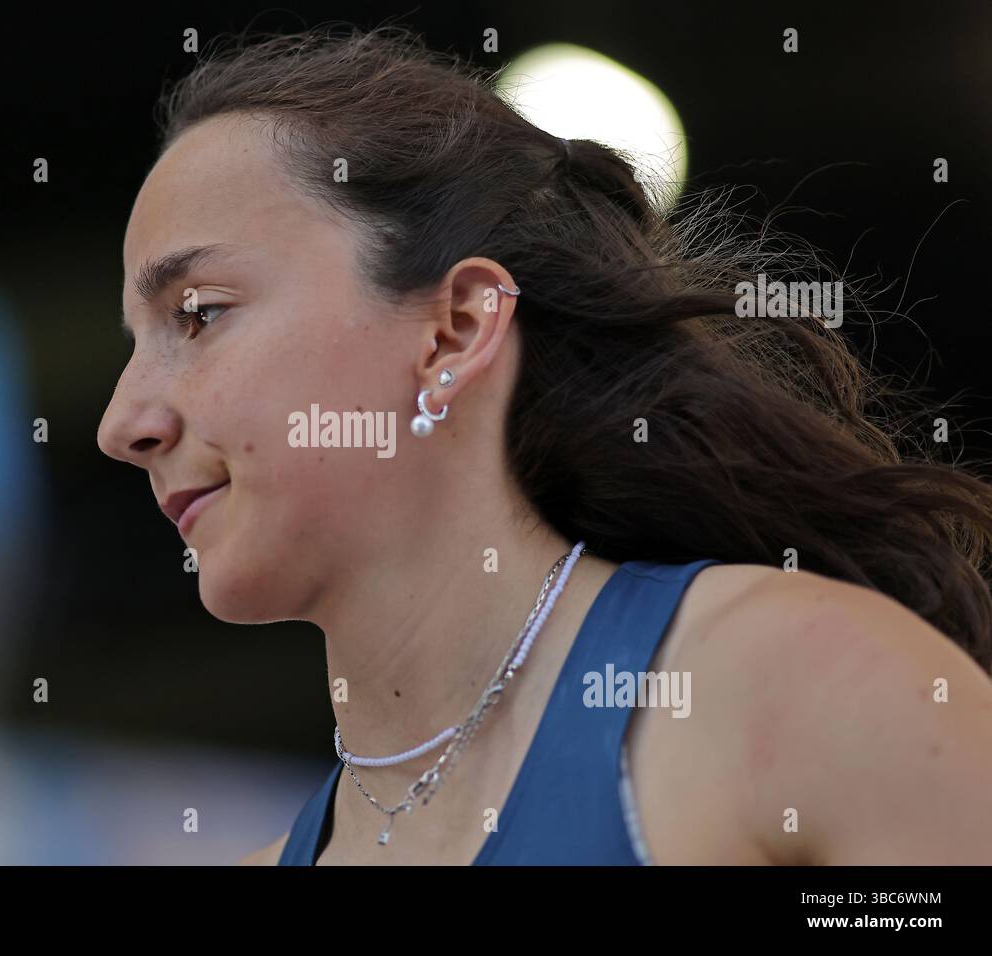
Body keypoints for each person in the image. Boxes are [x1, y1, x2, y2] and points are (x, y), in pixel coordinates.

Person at [95, 25, 992, 865]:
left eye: (199, 314)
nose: (121, 424)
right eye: (135, 345)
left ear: (454, 328)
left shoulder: (782, 682)